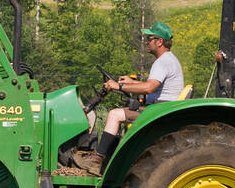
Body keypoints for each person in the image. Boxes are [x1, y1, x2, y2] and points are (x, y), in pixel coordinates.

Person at [74, 22, 184, 174]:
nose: (147, 42)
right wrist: (132, 83)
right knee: (120, 113)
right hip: (162, 107)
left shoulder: (162, 62)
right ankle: (107, 160)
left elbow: (148, 88)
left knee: (114, 115)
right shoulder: (169, 60)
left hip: (159, 109)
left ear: (159, 42)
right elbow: (153, 85)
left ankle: (97, 160)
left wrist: (117, 86)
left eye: (150, 38)